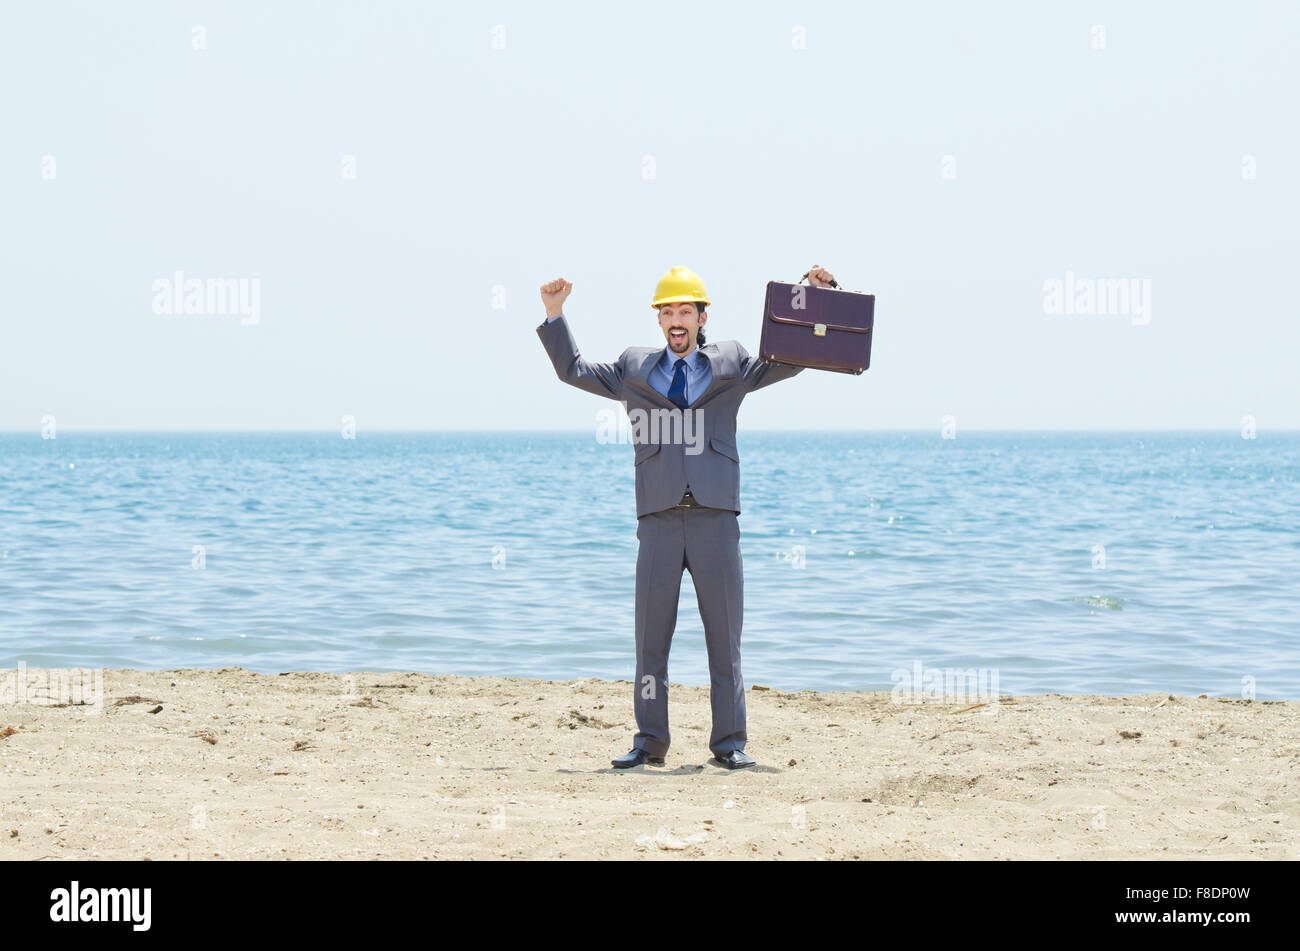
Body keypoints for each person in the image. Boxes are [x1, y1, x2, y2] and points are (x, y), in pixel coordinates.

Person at [536, 264, 835, 769]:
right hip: (657, 519)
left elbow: (791, 361)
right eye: (668, 311)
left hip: (716, 518)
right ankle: (650, 742)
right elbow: (574, 370)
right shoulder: (633, 367)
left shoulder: (733, 363)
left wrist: (816, 297)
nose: (677, 319)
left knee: (725, 638)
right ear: (659, 320)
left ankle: (730, 744)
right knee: (650, 639)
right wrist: (554, 314)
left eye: (686, 311)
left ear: (701, 317)